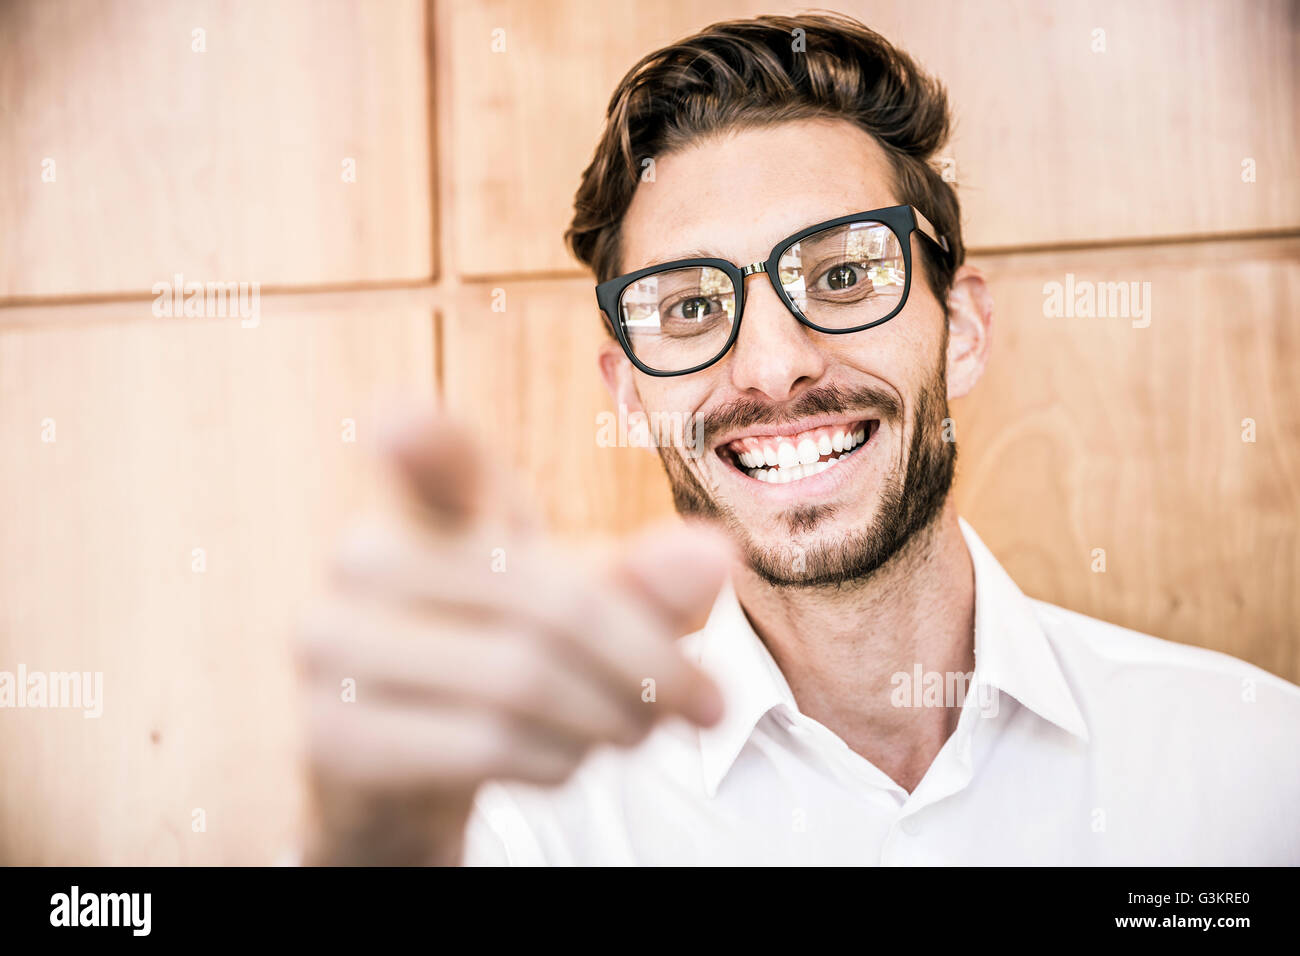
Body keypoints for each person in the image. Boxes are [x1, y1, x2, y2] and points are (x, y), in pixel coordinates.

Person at [296, 13, 1300, 865]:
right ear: (633, 393)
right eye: (689, 305)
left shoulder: (1252, 763)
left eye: (843, 274)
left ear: (964, 330)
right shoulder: (528, 821)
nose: (773, 367)